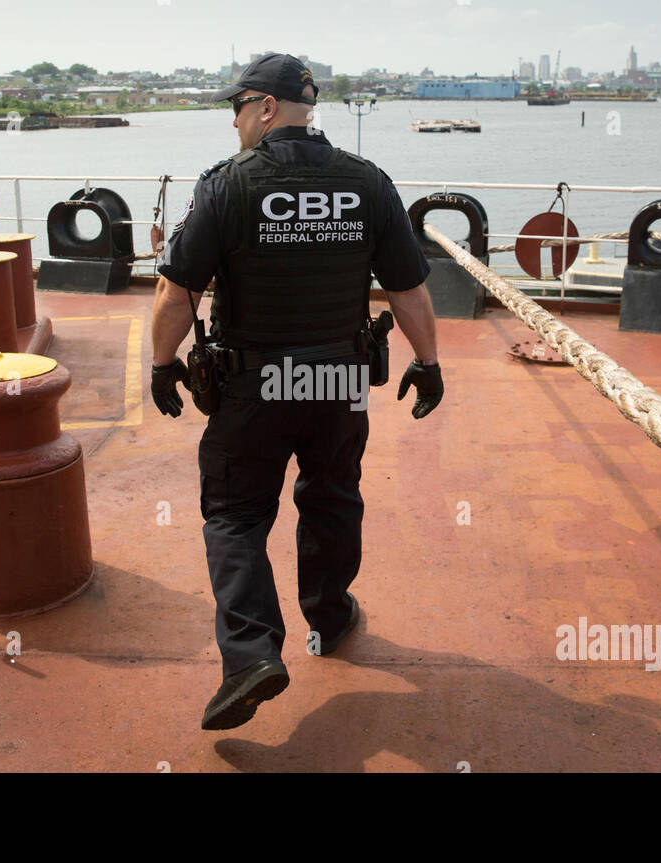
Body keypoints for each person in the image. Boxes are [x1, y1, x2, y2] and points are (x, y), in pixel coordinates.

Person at [149, 52, 444, 731]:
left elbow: (177, 289)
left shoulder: (226, 184)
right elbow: (407, 288)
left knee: (234, 515)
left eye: (238, 108)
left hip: (254, 385)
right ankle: (330, 618)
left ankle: (251, 655)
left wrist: (163, 364)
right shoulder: (368, 182)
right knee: (332, 497)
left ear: (267, 107)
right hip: (338, 381)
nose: (234, 123)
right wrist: (428, 362)